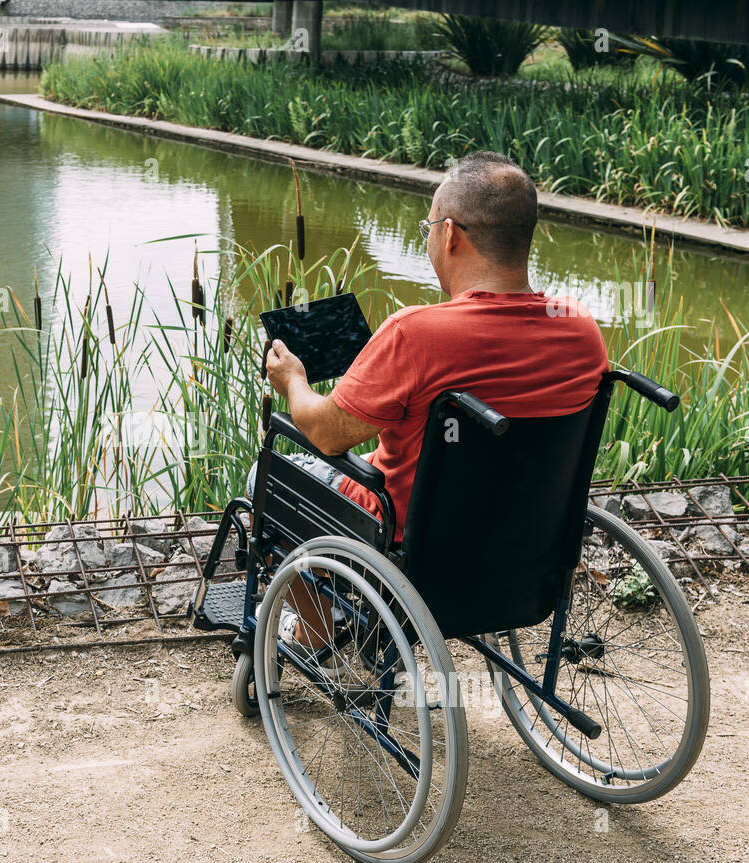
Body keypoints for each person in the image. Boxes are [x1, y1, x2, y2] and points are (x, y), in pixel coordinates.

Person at [257, 150, 609, 654]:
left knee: (268, 474)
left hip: (411, 548)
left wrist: (292, 380)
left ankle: (318, 634)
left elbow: (326, 433)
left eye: (427, 227)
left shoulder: (414, 334)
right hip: (526, 545)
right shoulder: (578, 326)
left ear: (450, 234)